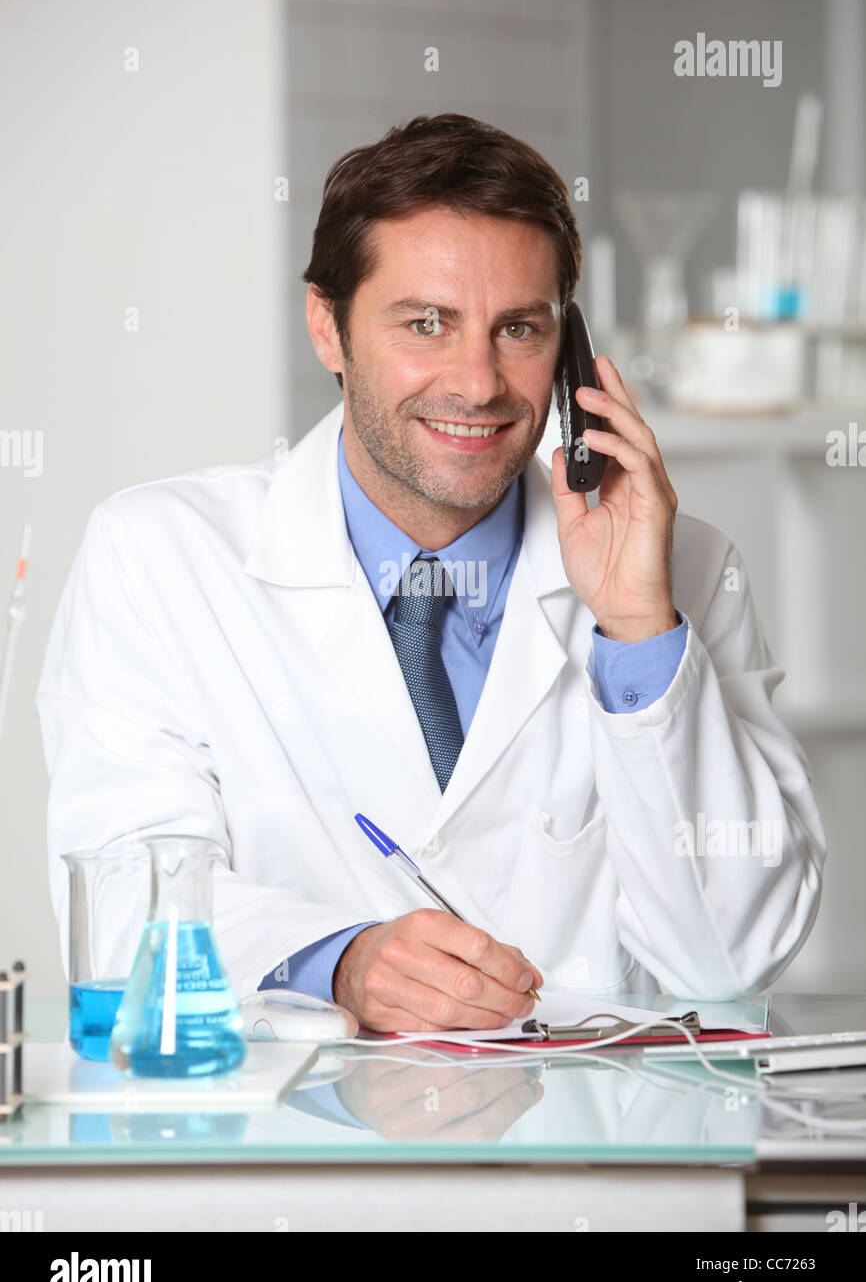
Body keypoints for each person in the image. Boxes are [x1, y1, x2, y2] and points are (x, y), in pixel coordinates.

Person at [37, 114, 825, 1034]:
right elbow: (120, 900)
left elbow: (733, 960)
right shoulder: (159, 555)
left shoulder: (682, 569)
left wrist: (639, 629)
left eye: (519, 329)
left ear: (568, 353)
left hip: (597, 1153)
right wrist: (339, 960)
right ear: (328, 328)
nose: (478, 382)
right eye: (426, 324)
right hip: (294, 1152)